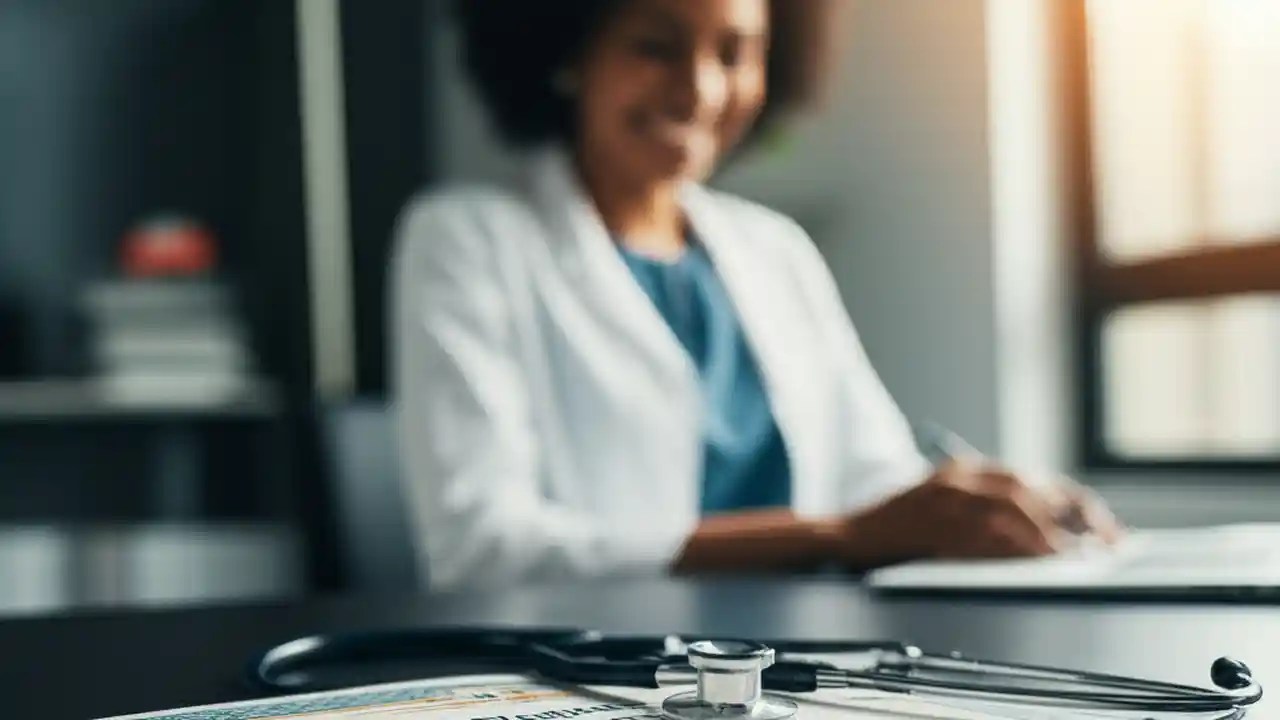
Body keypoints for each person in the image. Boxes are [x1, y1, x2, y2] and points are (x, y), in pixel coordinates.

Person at [391, 0, 1121, 590]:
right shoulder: (466, 240)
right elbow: (482, 552)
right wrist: (838, 536)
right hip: (600, 671)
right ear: (571, 50)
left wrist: (989, 504)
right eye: (656, 46)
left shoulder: (775, 250)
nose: (701, 89)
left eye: (735, 52)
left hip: (817, 661)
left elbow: (879, 483)